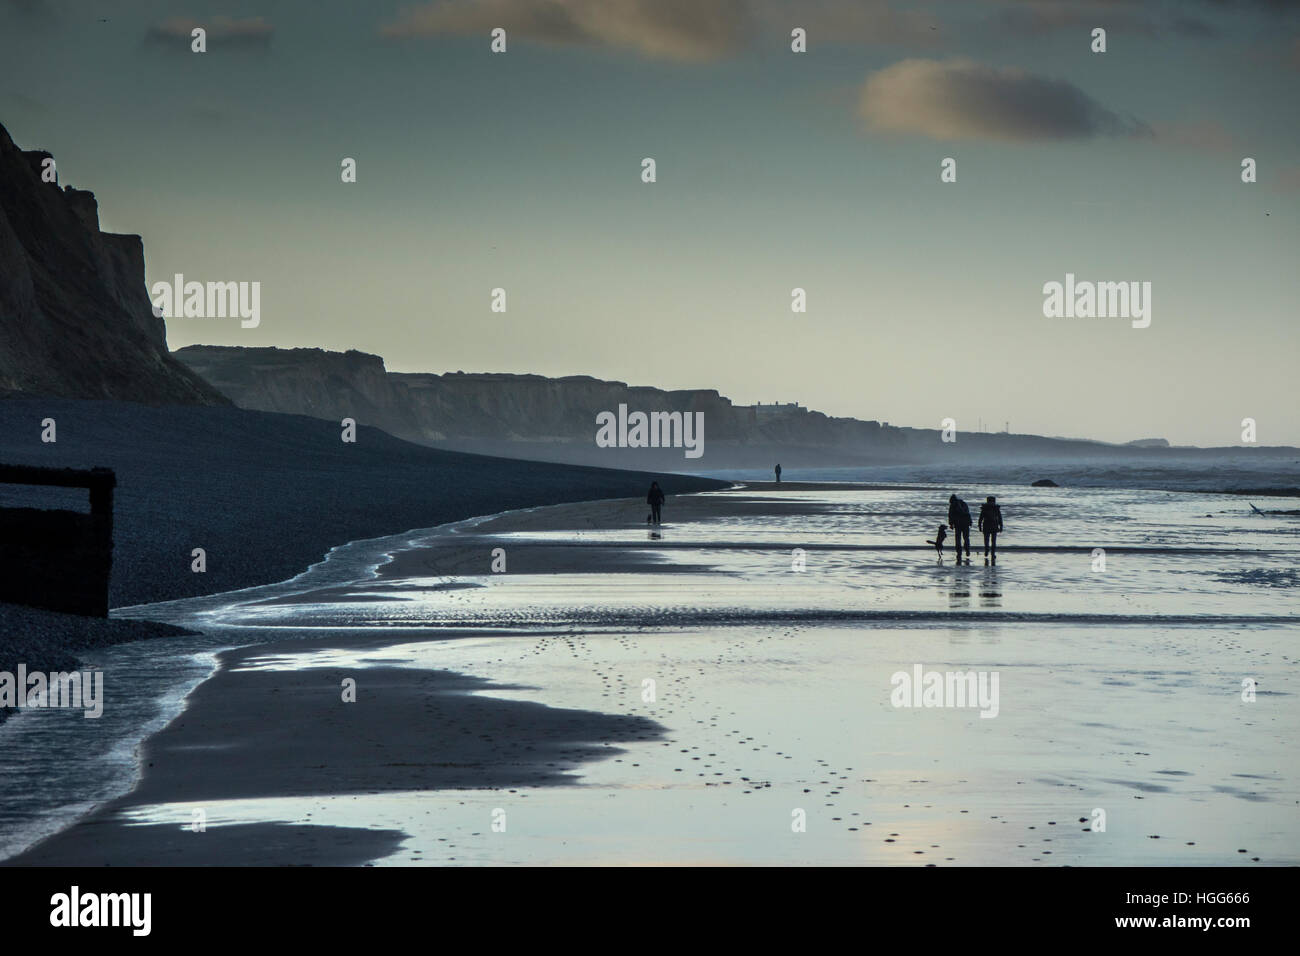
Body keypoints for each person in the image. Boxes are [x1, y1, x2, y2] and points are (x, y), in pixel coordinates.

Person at [947, 494, 972, 561]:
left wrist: (951, 524)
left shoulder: (953, 505)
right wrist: (970, 522)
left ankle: (959, 552)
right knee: (966, 537)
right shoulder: (964, 504)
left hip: (957, 524)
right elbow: (968, 513)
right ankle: (967, 550)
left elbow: (950, 515)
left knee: (958, 539)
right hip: (966, 523)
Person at [978, 495, 1004, 559]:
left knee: (986, 540)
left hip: (986, 525)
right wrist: (1001, 526)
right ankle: (993, 553)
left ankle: (986, 550)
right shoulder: (996, 508)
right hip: (994, 525)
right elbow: (1000, 518)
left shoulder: (984, 508)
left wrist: (979, 526)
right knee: (993, 540)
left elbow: (980, 518)